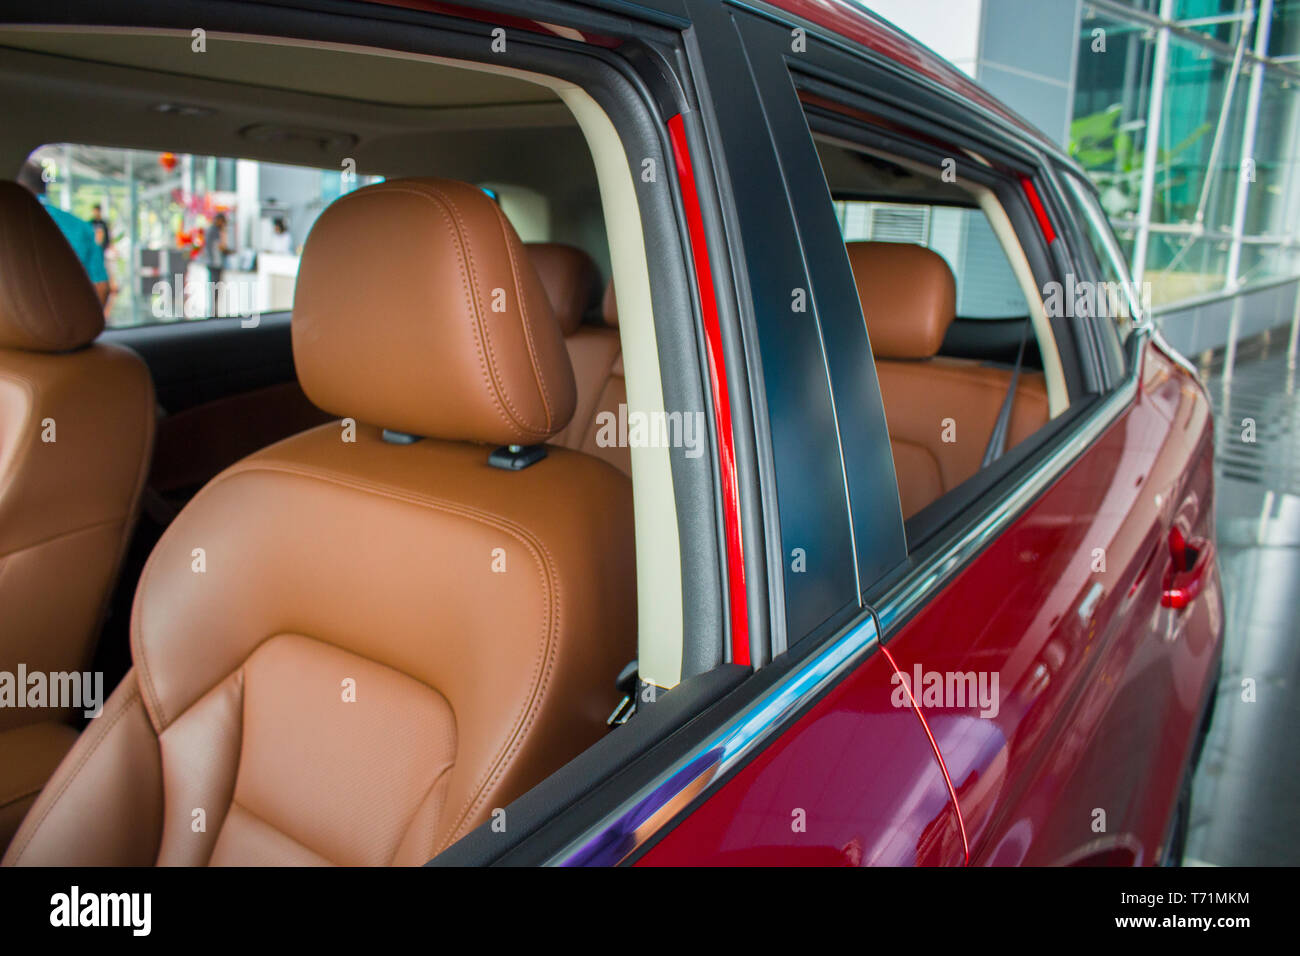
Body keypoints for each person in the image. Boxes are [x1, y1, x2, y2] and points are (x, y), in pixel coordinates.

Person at [17, 161, 109, 305]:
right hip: (72, 317)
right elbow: (101, 286)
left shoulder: (11, 224)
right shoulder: (81, 226)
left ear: (18, 187)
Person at [204, 211, 231, 317]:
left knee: (214, 288)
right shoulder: (215, 231)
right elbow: (221, 247)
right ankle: (213, 313)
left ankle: (213, 311)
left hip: (212, 264)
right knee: (215, 288)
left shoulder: (211, 230)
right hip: (215, 264)